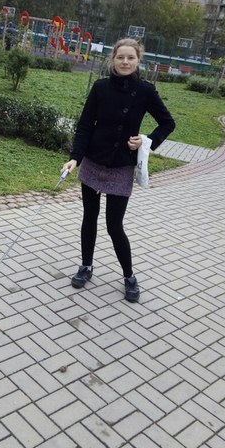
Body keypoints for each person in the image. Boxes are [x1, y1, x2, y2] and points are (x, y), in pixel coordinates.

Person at [61, 38, 175, 302]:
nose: (125, 62)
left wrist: (147, 140)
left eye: (130, 58)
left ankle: (129, 276)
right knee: (89, 217)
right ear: (113, 59)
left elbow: (168, 123)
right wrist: (75, 158)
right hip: (93, 161)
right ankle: (86, 266)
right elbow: (85, 125)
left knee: (114, 226)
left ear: (138, 60)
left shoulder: (145, 90)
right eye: (120, 57)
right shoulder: (100, 87)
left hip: (121, 164)